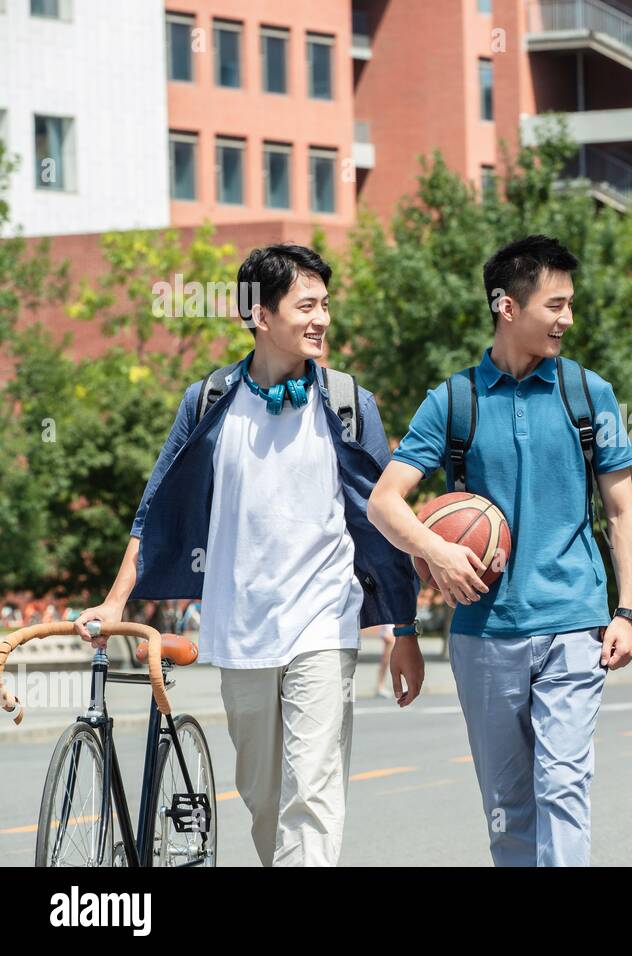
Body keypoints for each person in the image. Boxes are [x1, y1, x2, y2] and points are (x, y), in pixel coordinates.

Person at [76, 244, 421, 867]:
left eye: (325, 305)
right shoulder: (208, 402)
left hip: (325, 622)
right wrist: (115, 599)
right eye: (306, 305)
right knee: (264, 800)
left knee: (311, 797)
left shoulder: (347, 404)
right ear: (259, 315)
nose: (322, 319)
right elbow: (154, 510)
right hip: (240, 629)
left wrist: (403, 628)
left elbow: (382, 521)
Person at [368, 234, 632, 866]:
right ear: (508, 307)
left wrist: (626, 610)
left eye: (571, 304)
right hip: (484, 632)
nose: (567, 318)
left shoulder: (588, 395)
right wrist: (434, 555)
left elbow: (623, 508)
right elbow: (384, 503)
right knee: (507, 802)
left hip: (575, 619)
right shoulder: (454, 400)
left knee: (563, 785)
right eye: (556, 304)